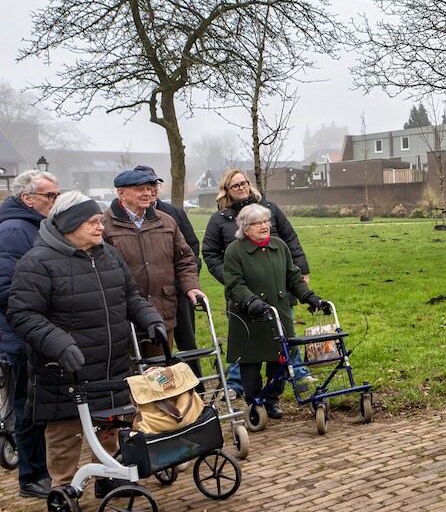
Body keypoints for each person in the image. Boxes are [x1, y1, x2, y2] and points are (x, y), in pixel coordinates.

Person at [6, 191, 167, 490]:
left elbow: (129, 296)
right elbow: (23, 314)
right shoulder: (37, 262)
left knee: (110, 426)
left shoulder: (109, 255)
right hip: (65, 368)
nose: (100, 227)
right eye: (92, 222)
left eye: (100, 221)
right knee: (65, 433)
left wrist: (150, 319)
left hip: (112, 365)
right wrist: (60, 343)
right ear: (69, 225)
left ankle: (111, 478)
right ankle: (64, 488)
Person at [201, 169, 311, 395]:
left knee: (284, 334)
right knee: (246, 342)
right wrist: (232, 278)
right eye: (235, 185)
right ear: (226, 191)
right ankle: (236, 385)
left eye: (244, 183)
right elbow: (210, 254)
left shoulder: (270, 209)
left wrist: (302, 274)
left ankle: (295, 375)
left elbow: (290, 240)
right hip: (243, 293)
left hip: (277, 284)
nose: (242, 187)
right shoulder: (220, 220)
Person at [222, 204, 328, 421]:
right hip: (249, 316)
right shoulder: (235, 251)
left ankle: (271, 400)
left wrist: (311, 298)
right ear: (245, 227)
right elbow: (234, 283)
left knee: (279, 359)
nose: (264, 226)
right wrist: (250, 300)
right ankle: (254, 402)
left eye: (265, 221)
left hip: (277, 314)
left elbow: (293, 278)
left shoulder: (280, 246)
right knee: (250, 363)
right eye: (257, 223)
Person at [103, 169, 205, 358]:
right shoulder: (104, 225)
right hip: (124, 317)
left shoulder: (166, 222)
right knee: (132, 377)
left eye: (150, 188)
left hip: (162, 312)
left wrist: (191, 286)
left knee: (160, 374)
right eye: (139, 189)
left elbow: (185, 259)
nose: (147, 193)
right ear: (121, 193)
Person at [0, 170, 57, 498]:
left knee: (40, 405)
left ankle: (43, 468)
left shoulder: (36, 225)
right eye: (50, 195)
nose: (54, 200)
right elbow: (6, 288)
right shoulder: (12, 230)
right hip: (22, 336)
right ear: (28, 198)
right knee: (28, 407)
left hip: (40, 332)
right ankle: (31, 477)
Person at [134, 164, 204, 379]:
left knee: (187, 342)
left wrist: (185, 282)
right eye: (145, 185)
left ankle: (196, 387)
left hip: (176, 291)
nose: (151, 189)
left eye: (154, 184)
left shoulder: (173, 213)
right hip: (141, 296)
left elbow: (191, 249)